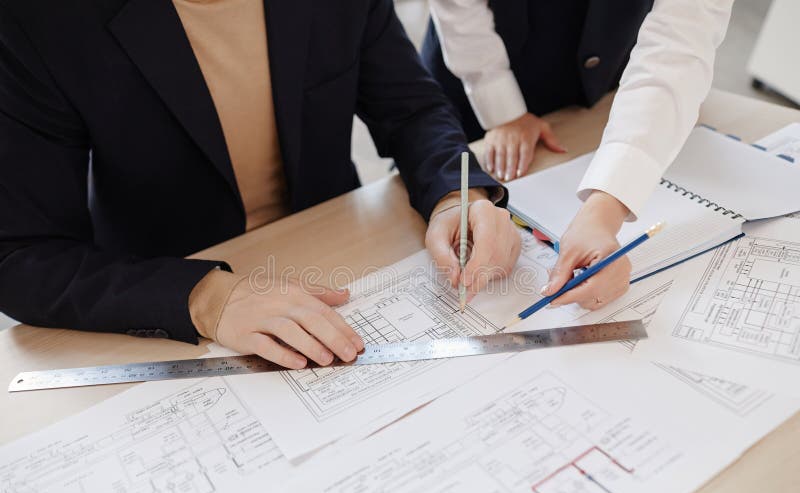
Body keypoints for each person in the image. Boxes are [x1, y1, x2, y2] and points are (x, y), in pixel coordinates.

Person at [0, 0, 521, 369]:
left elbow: (411, 110)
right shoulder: (40, 18)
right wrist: (206, 298)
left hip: (334, 257)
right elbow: (20, 256)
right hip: (162, 293)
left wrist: (458, 195)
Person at [422, 0, 733, 310]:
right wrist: (501, 107)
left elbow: (678, 45)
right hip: (471, 60)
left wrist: (605, 209)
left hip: (602, 87)